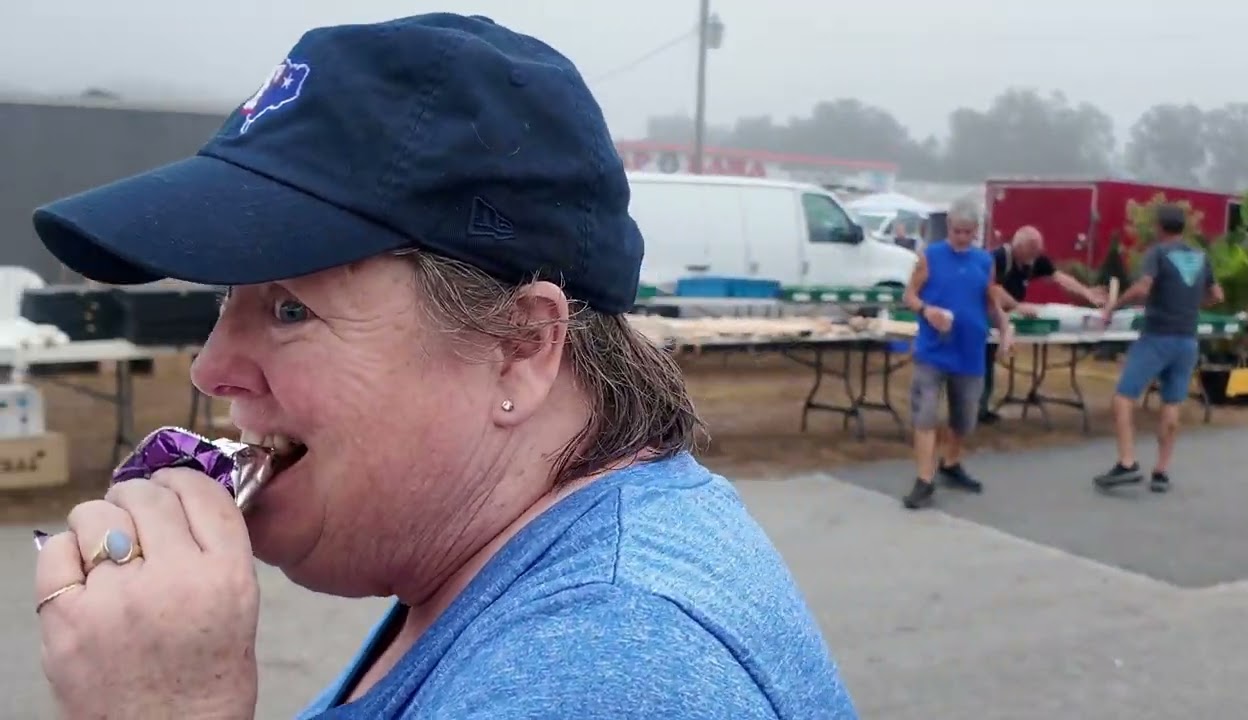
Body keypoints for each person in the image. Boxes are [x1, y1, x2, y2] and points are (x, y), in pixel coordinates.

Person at [28, 14, 857, 720]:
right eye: (224, 302)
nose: (213, 368)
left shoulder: (605, 672)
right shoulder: (503, 566)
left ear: (521, 345)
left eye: (290, 309)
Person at [1093, 204, 1223, 492]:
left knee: (1124, 398)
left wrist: (1113, 307)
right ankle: (1162, 471)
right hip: (1187, 341)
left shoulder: (1158, 253)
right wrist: (1189, 306)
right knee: (1172, 403)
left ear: (1159, 227)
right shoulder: (1200, 257)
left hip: (1157, 336)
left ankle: (1127, 462)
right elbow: (1217, 294)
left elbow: (1142, 288)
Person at [901, 198, 1012, 510]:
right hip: (933, 350)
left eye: (968, 232)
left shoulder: (984, 261)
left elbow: (990, 299)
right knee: (925, 414)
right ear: (948, 227)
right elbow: (908, 295)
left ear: (976, 232)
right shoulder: (930, 256)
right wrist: (927, 309)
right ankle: (925, 479)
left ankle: (951, 463)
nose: (961, 237)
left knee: (964, 417)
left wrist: (1004, 327)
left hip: (970, 350)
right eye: (956, 231)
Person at [979, 225, 1107, 423]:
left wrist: (1087, 292)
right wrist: (1017, 305)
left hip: (1007, 317)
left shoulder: (1034, 260)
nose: (1035, 256)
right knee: (983, 360)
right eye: (1031, 250)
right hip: (987, 315)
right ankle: (978, 411)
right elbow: (992, 289)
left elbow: (1060, 277)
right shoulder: (998, 257)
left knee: (988, 360)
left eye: (1037, 251)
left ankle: (982, 409)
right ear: (1019, 246)